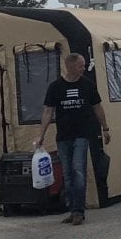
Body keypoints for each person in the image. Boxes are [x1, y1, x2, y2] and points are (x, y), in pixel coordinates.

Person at [35, 53, 110, 224]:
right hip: (63, 137)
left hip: (82, 135)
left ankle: (78, 211)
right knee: (67, 175)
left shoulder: (87, 85)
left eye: (84, 65)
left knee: (78, 170)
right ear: (70, 67)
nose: (84, 69)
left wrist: (105, 128)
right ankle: (72, 208)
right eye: (80, 66)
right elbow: (48, 111)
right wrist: (41, 135)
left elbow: (98, 107)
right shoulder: (55, 87)